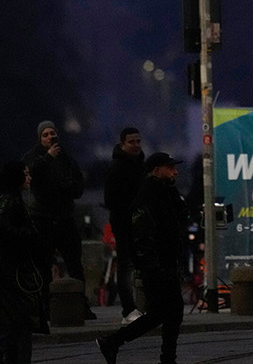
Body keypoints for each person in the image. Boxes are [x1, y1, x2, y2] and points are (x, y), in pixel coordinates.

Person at [96, 152, 189, 364]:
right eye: (170, 167)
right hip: (157, 267)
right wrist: (154, 267)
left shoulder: (166, 192)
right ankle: (162, 357)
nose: (175, 171)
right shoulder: (148, 196)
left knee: (163, 313)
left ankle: (113, 343)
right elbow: (142, 235)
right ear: (156, 171)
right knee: (168, 312)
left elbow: (182, 216)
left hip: (166, 264)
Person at [22, 120, 95, 320]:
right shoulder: (34, 156)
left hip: (64, 218)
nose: (50, 137)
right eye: (45, 134)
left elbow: (79, 185)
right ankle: (45, 306)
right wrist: (48, 157)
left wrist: (69, 187)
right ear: (40, 138)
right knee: (43, 265)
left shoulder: (67, 159)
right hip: (43, 218)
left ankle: (81, 304)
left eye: (52, 133)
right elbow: (30, 173)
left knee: (74, 263)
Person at [0, 161, 46, 364]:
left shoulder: (11, 198)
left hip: (10, 266)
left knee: (20, 317)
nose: (29, 178)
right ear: (16, 177)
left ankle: (11, 356)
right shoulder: (8, 200)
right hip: (8, 268)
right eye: (25, 174)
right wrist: (28, 234)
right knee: (21, 316)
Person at [102, 127, 145, 324]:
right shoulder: (117, 168)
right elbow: (110, 200)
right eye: (131, 142)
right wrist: (131, 208)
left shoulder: (141, 165)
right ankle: (128, 309)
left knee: (142, 264)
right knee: (126, 266)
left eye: (138, 141)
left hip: (140, 223)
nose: (136, 145)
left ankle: (142, 307)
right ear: (122, 144)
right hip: (124, 223)